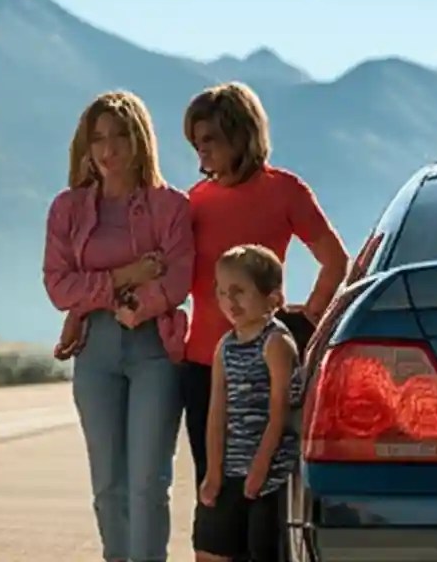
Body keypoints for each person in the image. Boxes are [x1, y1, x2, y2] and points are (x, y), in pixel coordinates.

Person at [43, 90, 193, 562]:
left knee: (148, 481)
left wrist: (138, 306)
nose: (108, 150)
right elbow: (58, 286)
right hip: (95, 350)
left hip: (154, 350)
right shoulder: (67, 209)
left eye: (120, 136)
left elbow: (178, 278)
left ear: (140, 140)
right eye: (98, 138)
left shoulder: (171, 206)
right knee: (108, 482)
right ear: (85, 146)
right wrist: (127, 276)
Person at [180, 81, 348, 489]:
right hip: (203, 365)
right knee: (213, 491)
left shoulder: (284, 190)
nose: (201, 151)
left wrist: (307, 319)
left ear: (240, 134)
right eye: (195, 142)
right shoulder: (194, 201)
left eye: (209, 140)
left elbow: (335, 260)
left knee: (268, 490)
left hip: (265, 368)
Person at [192, 244, 304, 562]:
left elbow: (280, 412)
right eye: (222, 292)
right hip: (231, 469)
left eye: (239, 291)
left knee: (261, 549)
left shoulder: (276, 343)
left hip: (270, 475)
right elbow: (217, 413)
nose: (230, 301)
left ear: (272, 297)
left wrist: (260, 468)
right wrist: (213, 472)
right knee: (210, 547)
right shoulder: (225, 347)